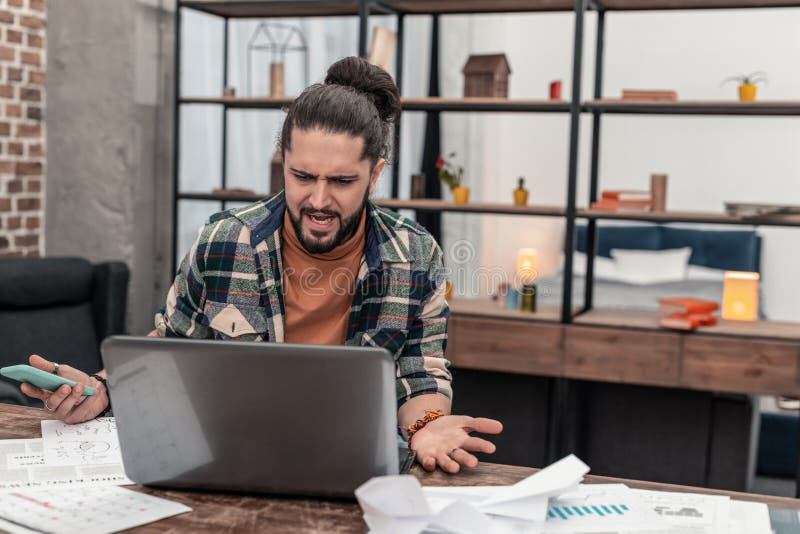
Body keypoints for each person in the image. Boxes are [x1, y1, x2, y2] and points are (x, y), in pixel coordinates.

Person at [21, 56, 503, 474]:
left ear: (374, 173)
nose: (318, 200)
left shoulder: (416, 256)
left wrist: (426, 427)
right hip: (229, 458)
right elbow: (170, 350)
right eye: (302, 176)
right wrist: (103, 390)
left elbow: (420, 374)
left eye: (341, 181)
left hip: (356, 466)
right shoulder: (222, 241)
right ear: (283, 161)